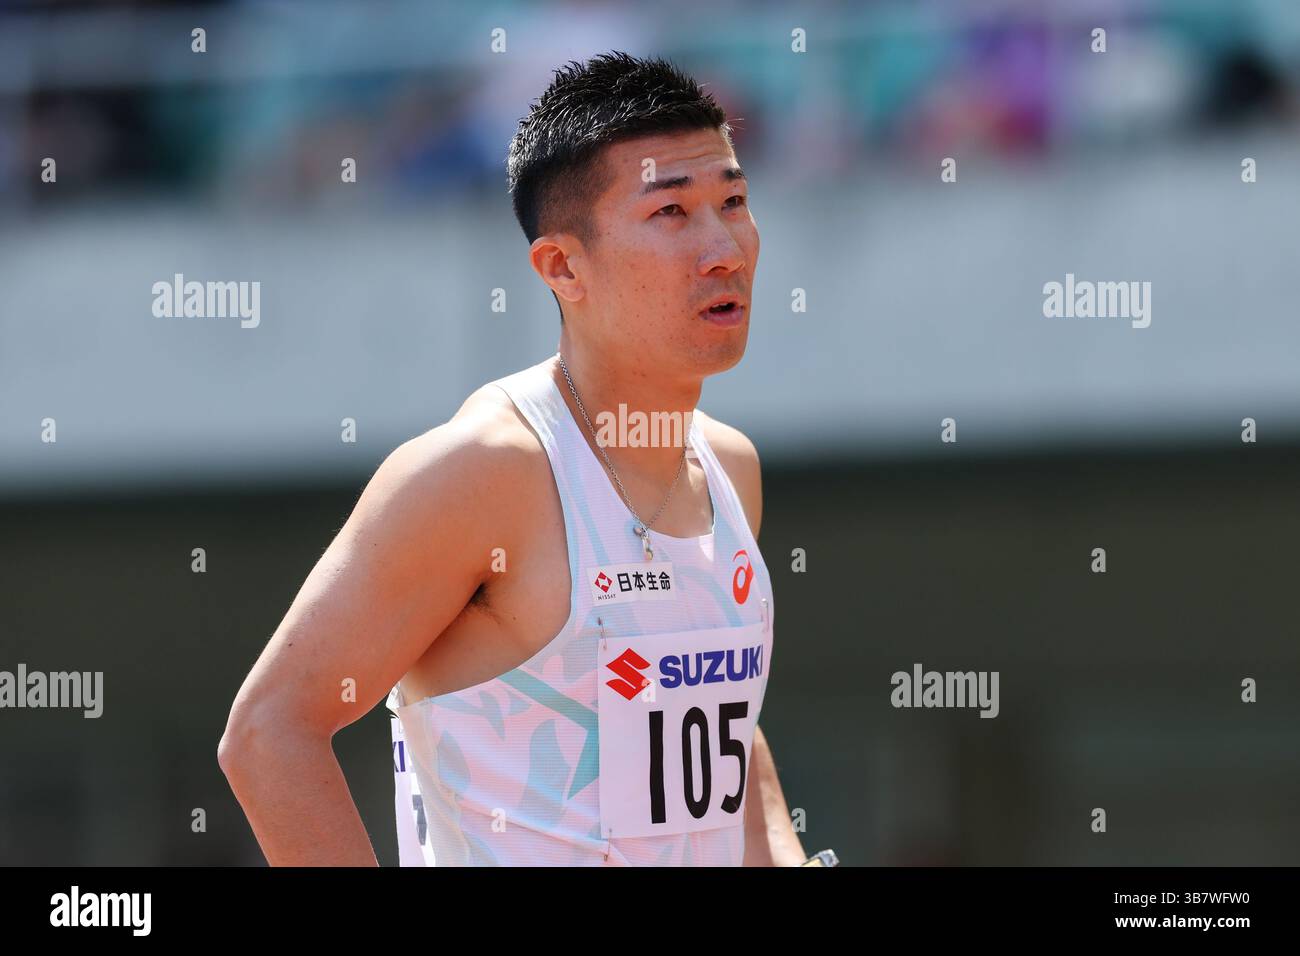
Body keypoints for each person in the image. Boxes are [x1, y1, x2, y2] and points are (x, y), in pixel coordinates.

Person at [219, 51, 806, 866]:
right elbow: (269, 731)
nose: (723, 249)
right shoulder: (485, 474)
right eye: (671, 213)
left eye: (734, 201)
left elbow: (721, 731)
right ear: (563, 266)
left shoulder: (732, 470)